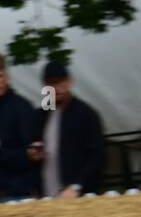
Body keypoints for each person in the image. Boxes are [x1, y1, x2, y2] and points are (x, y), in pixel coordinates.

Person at [29, 60, 104, 199]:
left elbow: (97, 157)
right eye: (51, 84)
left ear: (70, 82)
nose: (56, 88)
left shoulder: (86, 114)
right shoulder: (40, 115)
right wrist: (33, 154)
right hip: (46, 196)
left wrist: (77, 186)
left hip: (77, 197)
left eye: (60, 82)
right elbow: (34, 145)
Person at [0, 53, 37, 201]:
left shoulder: (22, 106)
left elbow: (30, 154)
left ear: (7, 77)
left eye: (1, 76)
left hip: (16, 192)